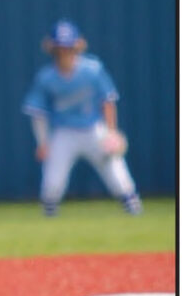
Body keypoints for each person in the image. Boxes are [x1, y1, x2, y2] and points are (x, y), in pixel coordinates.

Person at [21, 20, 142, 217]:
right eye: (60, 48)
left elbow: (108, 100)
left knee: (117, 173)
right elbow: (37, 112)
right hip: (64, 132)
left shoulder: (92, 69)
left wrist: (111, 132)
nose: (64, 52)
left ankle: (134, 211)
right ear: (53, 49)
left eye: (68, 47)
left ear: (77, 46)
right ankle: (48, 218)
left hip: (94, 129)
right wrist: (43, 142)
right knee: (53, 182)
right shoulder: (46, 77)